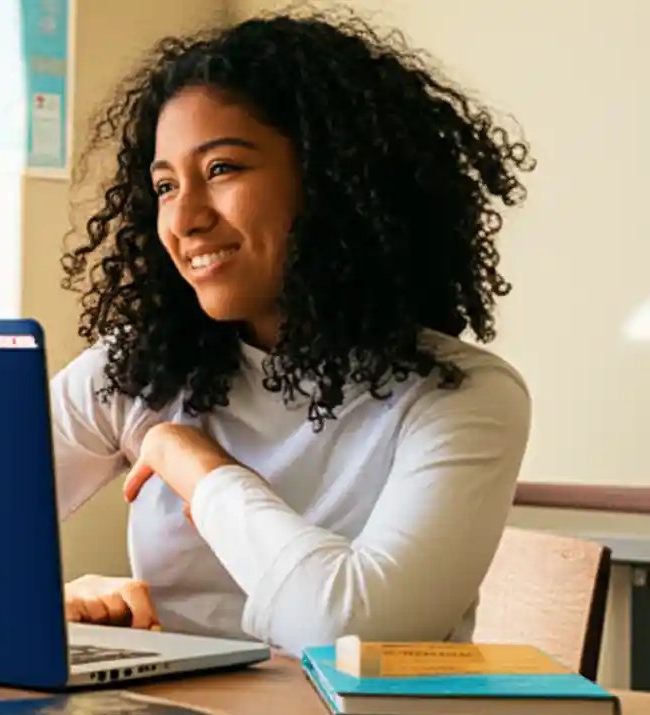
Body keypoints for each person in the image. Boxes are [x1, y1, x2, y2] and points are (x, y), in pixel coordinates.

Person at [51, 6, 537, 657]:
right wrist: (45, 602)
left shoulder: (463, 395)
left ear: (333, 175)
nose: (185, 217)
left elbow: (347, 639)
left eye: (222, 169)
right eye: (166, 185)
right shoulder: (138, 368)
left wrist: (199, 468)